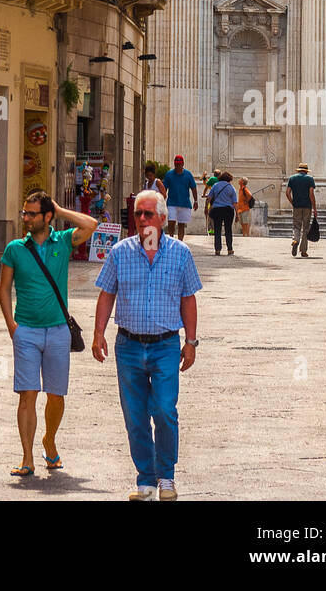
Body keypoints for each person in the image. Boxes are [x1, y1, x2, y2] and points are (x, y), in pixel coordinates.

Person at [92, 190, 202, 502]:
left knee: (165, 411)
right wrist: (98, 332)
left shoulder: (181, 254)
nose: (142, 219)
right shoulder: (120, 252)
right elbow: (106, 294)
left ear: (163, 219)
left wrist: (191, 342)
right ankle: (145, 479)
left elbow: (188, 299)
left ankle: (166, 476)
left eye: (148, 214)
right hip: (128, 345)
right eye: (138, 213)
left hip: (165, 345)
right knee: (135, 416)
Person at [0, 192, 97, 478]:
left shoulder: (63, 241)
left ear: (47, 217)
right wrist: (11, 325)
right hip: (26, 330)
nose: (26, 218)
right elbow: (4, 288)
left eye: (32, 214)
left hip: (57, 331)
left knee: (56, 395)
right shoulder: (15, 249)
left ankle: (49, 439)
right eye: (24, 213)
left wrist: (60, 210)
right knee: (27, 395)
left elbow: (91, 225)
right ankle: (27, 457)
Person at [163, 155, 198, 241]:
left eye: (179, 164)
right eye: (176, 164)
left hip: (184, 203)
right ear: (174, 164)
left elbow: (193, 188)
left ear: (183, 164)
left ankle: (180, 241)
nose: (178, 166)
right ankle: (171, 238)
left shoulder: (188, 174)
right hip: (172, 203)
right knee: (171, 222)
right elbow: (164, 188)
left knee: (181, 224)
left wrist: (196, 201)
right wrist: (162, 200)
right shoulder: (169, 174)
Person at [285, 163, 317, 258]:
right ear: (306, 171)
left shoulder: (292, 178)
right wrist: (314, 207)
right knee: (305, 228)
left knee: (296, 225)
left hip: (297, 206)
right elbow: (311, 194)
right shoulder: (310, 179)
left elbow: (287, 192)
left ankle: (296, 240)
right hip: (307, 206)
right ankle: (303, 251)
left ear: (298, 170)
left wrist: (292, 202)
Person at [206, 171, 238, 256]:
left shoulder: (215, 186)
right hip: (228, 210)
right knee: (228, 230)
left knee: (217, 230)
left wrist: (206, 208)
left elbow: (209, 198)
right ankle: (230, 249)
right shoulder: (231, 188)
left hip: (217, 210)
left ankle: (217, 249)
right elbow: (235, 203)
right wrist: (237, 214)